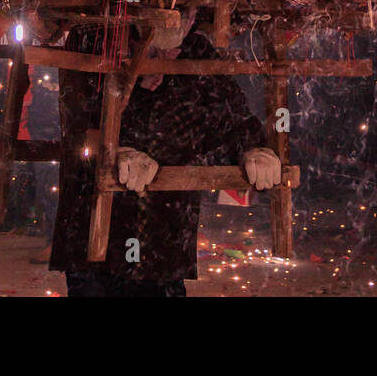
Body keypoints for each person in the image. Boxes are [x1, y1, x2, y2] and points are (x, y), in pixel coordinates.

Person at [49, 25, 282, 296]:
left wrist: (254, 150)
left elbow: (233, 121)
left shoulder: (195, 51)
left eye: (173, 47)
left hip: (163, 237)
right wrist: (112, 151)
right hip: (92, 236)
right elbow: (76, 122)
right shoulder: (93, 40)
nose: (167, 54)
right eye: (153, 47)